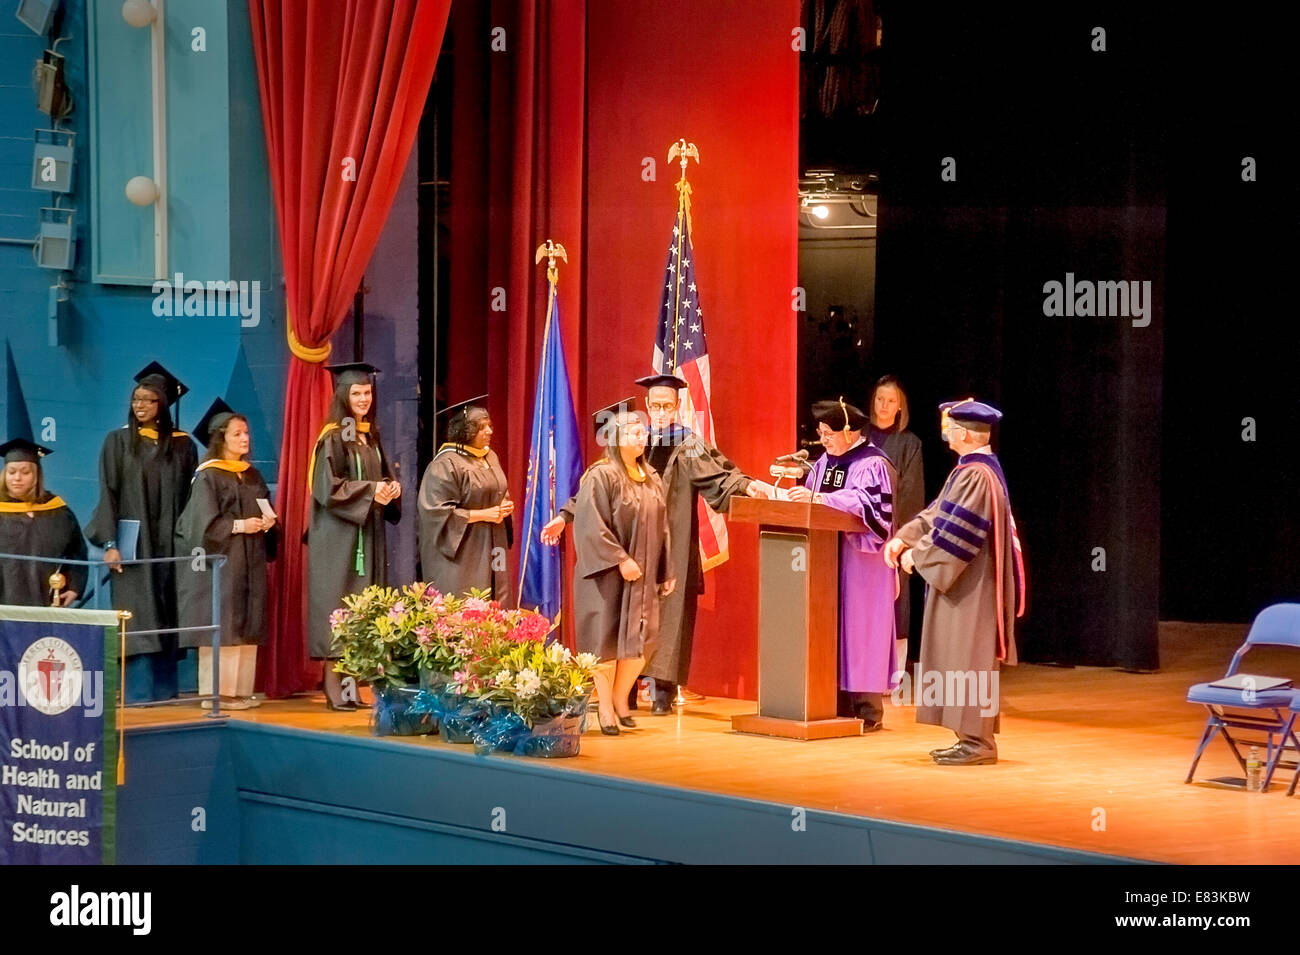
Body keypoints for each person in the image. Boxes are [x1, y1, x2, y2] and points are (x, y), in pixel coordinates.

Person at [542, 375, 769, 715]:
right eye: (656, 406)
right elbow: (596, 487)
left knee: (668, 615)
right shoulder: (632, 439)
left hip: (669, 544)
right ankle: (625, 693)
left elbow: (718, 475)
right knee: (622, 615)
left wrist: (744, 485)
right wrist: (565, 515)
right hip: (627, 544)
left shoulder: (686, 442)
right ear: (647, 407)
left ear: (677, 407)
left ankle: (663, 691)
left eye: (668, 406)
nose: (661, 412)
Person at [884, 399, 1025, 766]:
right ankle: (968, 738)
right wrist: (906, 537)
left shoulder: (978, 475)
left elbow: (958, 536)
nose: (945, 431)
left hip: (972, 585)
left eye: (949, 426)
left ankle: (978, 742)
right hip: (963, 582)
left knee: (969, 656)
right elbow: (939, 513)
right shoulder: (967, 471)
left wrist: (920, 556)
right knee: (958, 655)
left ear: (963, 433)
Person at [86, 362, 199, 703]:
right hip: (133, 542)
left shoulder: (183, 445)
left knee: (169, 611)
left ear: (162, 405)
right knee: (138, 613)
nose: (141, 406)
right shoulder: (118, 442)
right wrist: (109, 544)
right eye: (137, 399)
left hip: (171, 543)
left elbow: (191, 498)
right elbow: (109, 493)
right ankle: (137, 694)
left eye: (149, 400)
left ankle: (166, 692)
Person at [789, 398, 898, 731]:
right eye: (820, 433)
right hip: (825, 561)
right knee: (828, 624)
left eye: (829, 433)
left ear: (849, 432)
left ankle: (867, 709)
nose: (823, 440)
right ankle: (831, 700)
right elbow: (811, 498)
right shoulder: (825, 461)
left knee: (860, 630)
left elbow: (868, 505)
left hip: (861, 566)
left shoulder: (873, 464)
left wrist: (823, 499)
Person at [571, 408, 675, 735]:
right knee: (604, 640)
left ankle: (619, 699)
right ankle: (603, 706)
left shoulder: (652, 477)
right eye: (633, 433)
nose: (641, 437)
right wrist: (620, 559)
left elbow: (664, 527)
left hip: (642, 576)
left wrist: (665, 568)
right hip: (604, 575)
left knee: (643, 640)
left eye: (642, 433)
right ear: (616, 439)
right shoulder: (600, 475)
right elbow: (590, 525)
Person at [307, 362, 402, 710]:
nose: (363, 399)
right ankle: (335, 689)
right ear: (343, 396)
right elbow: (326, 488)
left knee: (360, 610)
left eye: (367, 392)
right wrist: (370, 491)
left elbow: (381, 479)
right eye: (356, 393)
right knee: (339, 604)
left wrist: (391, 489)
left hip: (366, 532)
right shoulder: (334, 437)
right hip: (340, 538)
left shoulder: (369, 436)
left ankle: (351, 690)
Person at [175, 399, 276, 711]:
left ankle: (240, 692)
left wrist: (270, 521)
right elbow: (201, 526)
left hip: (251, 560)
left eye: (246, 433)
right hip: (224, 562)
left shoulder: (252, 475)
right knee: (225, 622)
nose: (244, 439)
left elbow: (264, 507)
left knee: (247, 623)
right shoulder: (208, 476)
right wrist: (239, 525)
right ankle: (217, 694)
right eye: (237, 434)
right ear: (221, 438)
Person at [417, 395, 513, 601]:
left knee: (496, 603)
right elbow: (435, 512)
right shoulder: (445, 464)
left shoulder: (490, 456)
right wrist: (482, 515)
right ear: (466, 431)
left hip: (493, 544)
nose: (490, 431)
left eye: (489, 425)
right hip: (464, 553)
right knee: (469, 606)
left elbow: (498, 489)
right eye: (482, 427)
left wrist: (504, 505)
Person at [867, 375, 925, 665]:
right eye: (880, 399)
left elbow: (911, 494)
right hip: (860, 535)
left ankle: (894, 671)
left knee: (896, 603)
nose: (884, 406)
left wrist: (900, 537)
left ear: (900, 407)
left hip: (892, 534)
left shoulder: (909, 444)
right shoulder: (858, 437)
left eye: (891, 401)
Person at [0, 438, 87, 607]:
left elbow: (77, 551)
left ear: (36, 476)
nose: (17, 478)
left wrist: (74, 586)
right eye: (11, 472)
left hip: (44, 598)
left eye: (25, 472)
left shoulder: (56, 510)